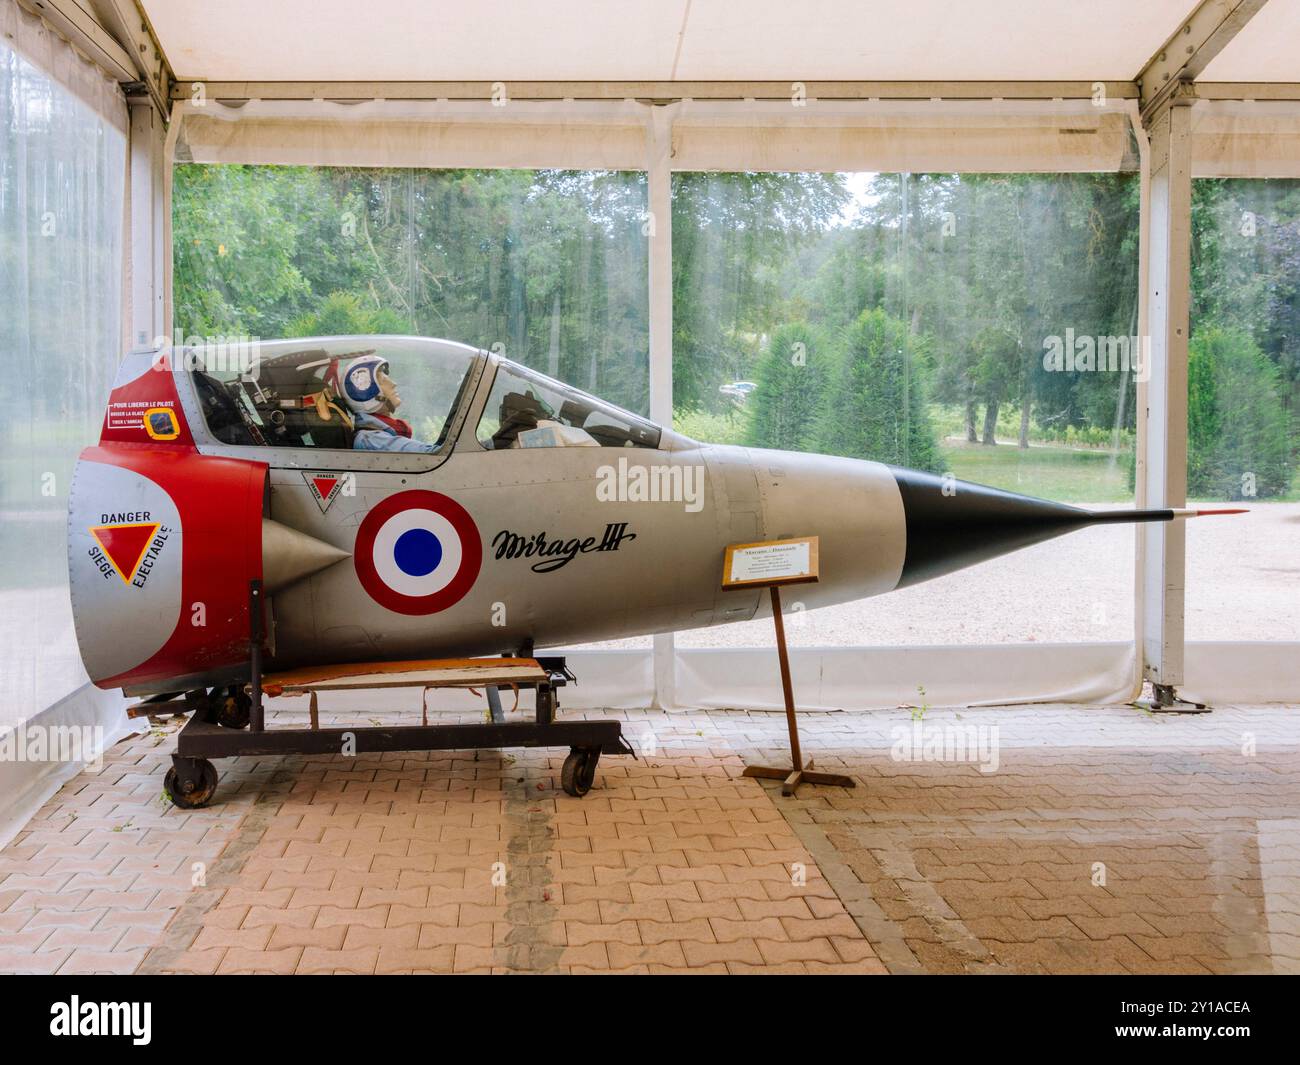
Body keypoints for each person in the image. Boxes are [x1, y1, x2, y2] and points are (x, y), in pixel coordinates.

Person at [336, 354, 437, 453]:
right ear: (365, 392)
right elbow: (434, 455)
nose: (393, 384)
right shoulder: (370, 440)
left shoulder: (377, 435)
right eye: (383, 381)